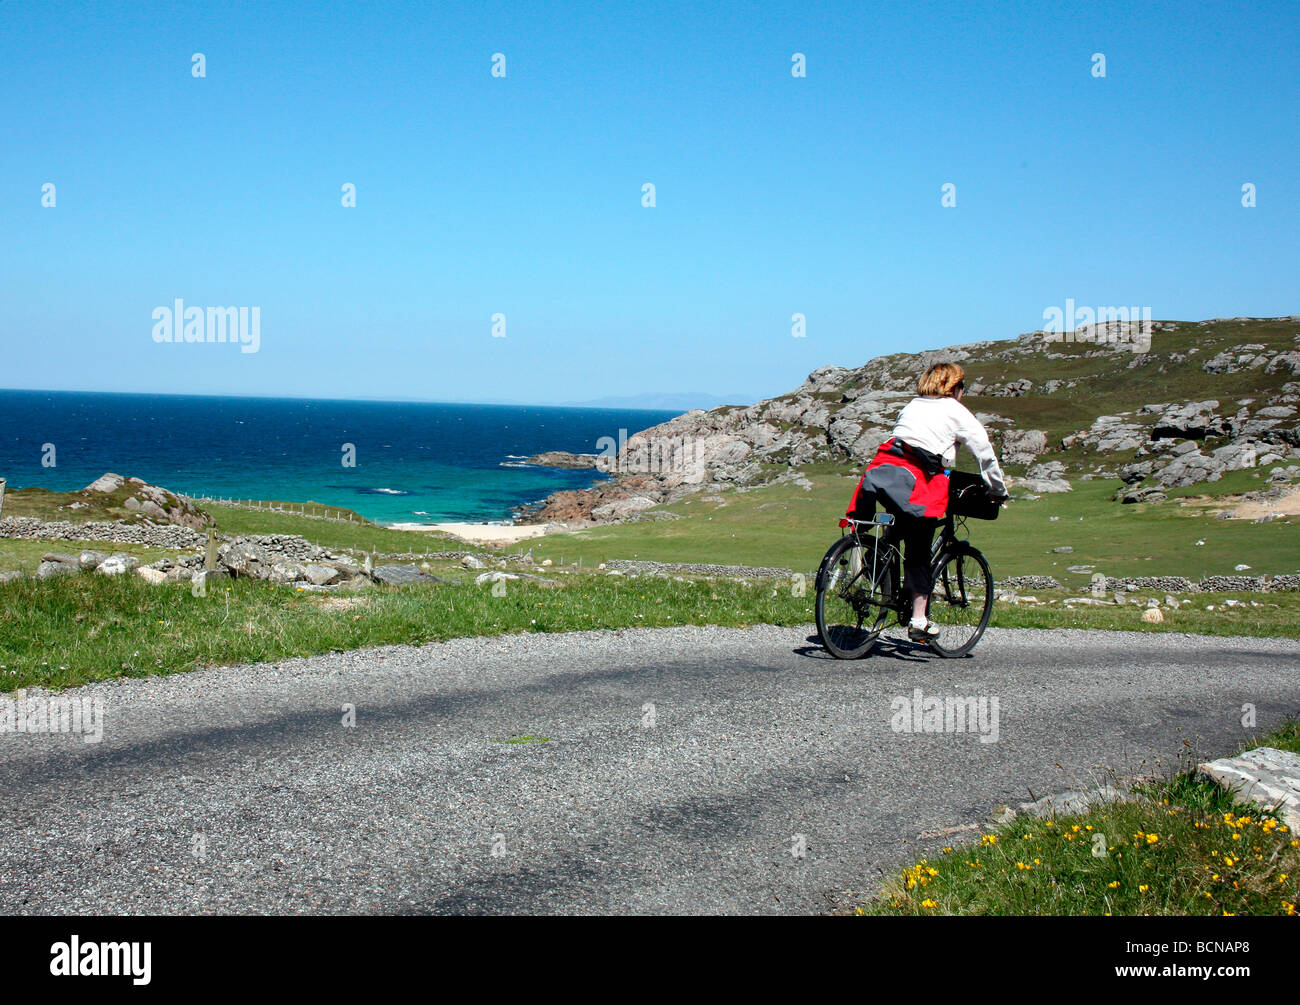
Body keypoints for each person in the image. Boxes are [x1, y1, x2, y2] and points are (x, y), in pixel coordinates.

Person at [846, 362, 1007, 642]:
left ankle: (880, 564)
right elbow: (984, 452)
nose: (962, 393)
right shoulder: (955, 410)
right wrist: (997, 489)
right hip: (918, 479)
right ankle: (919, 621)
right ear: (954, 387)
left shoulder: (913, 405)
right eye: (961, 387)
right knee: (920, 547)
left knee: (897, 523)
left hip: (884, 471)